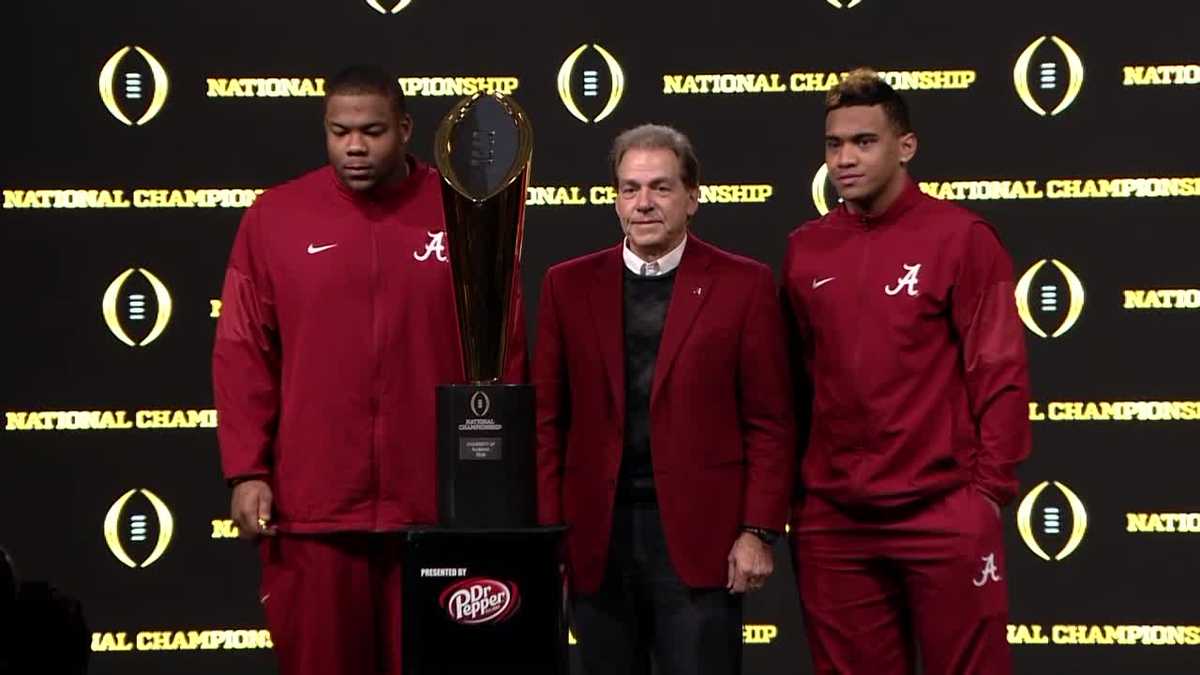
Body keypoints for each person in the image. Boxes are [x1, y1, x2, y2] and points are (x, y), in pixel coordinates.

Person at [212, 64, 525, 675]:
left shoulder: (464, 209)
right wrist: (246, 469)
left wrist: (502, 486)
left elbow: (504, 356)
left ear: (405, 128)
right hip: (316, 509)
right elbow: (244, 350)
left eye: (373, 131)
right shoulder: (275, 217)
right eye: (339, 131)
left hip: (439, 508)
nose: (355, 146)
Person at [782, 68, 1032, 674]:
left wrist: (985, 494)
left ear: (906, 147)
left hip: (942, 509)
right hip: (834, 520)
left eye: (864, 142)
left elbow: (998, 368)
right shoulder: (805, 248)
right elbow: (793, 383)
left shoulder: (962, 237)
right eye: (834, 144)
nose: (845, 158)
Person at [534, 124, 794, 675]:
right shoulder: (567, 285)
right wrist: (549, 535)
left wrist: (758, 531)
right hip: (596, 539)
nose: (644, 203)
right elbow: (547, 423)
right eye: (630, 189)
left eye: (661, 187)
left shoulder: (743, 285)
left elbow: (770, 421)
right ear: (614, 199)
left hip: (702, 542)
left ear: (693, 197)